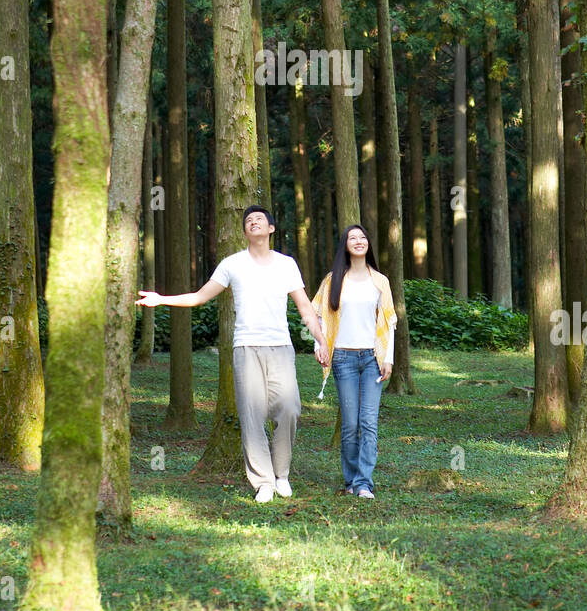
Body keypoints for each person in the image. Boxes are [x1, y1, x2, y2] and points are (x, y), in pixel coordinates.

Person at [136, 206, 328, 503]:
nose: (253, 223)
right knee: (251, 415)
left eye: (259, 220)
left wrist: (321, 339)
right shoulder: (232, 264)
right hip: (245, 347)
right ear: (245, 231)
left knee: (290, 408)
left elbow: (305, 307)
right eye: (248, 221)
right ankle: (263, 481)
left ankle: (282, 474)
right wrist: (162, 300)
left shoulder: (286, 264)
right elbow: (200, 296)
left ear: (271, 229)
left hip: (280, 346)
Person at [312, 225, 395, 501]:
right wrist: (319, 345)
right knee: (350, 424)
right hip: (343, 358)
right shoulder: (333, 279)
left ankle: (364, 483)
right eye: (352, 238)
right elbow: (320, 317)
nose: (359, 242)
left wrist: (389, 359)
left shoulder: (380, 281)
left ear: (368, 244)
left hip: (372, 358)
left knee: (369, 422)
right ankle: (350, 480)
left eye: (362, 237)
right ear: (345, 246)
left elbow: (389, 322)